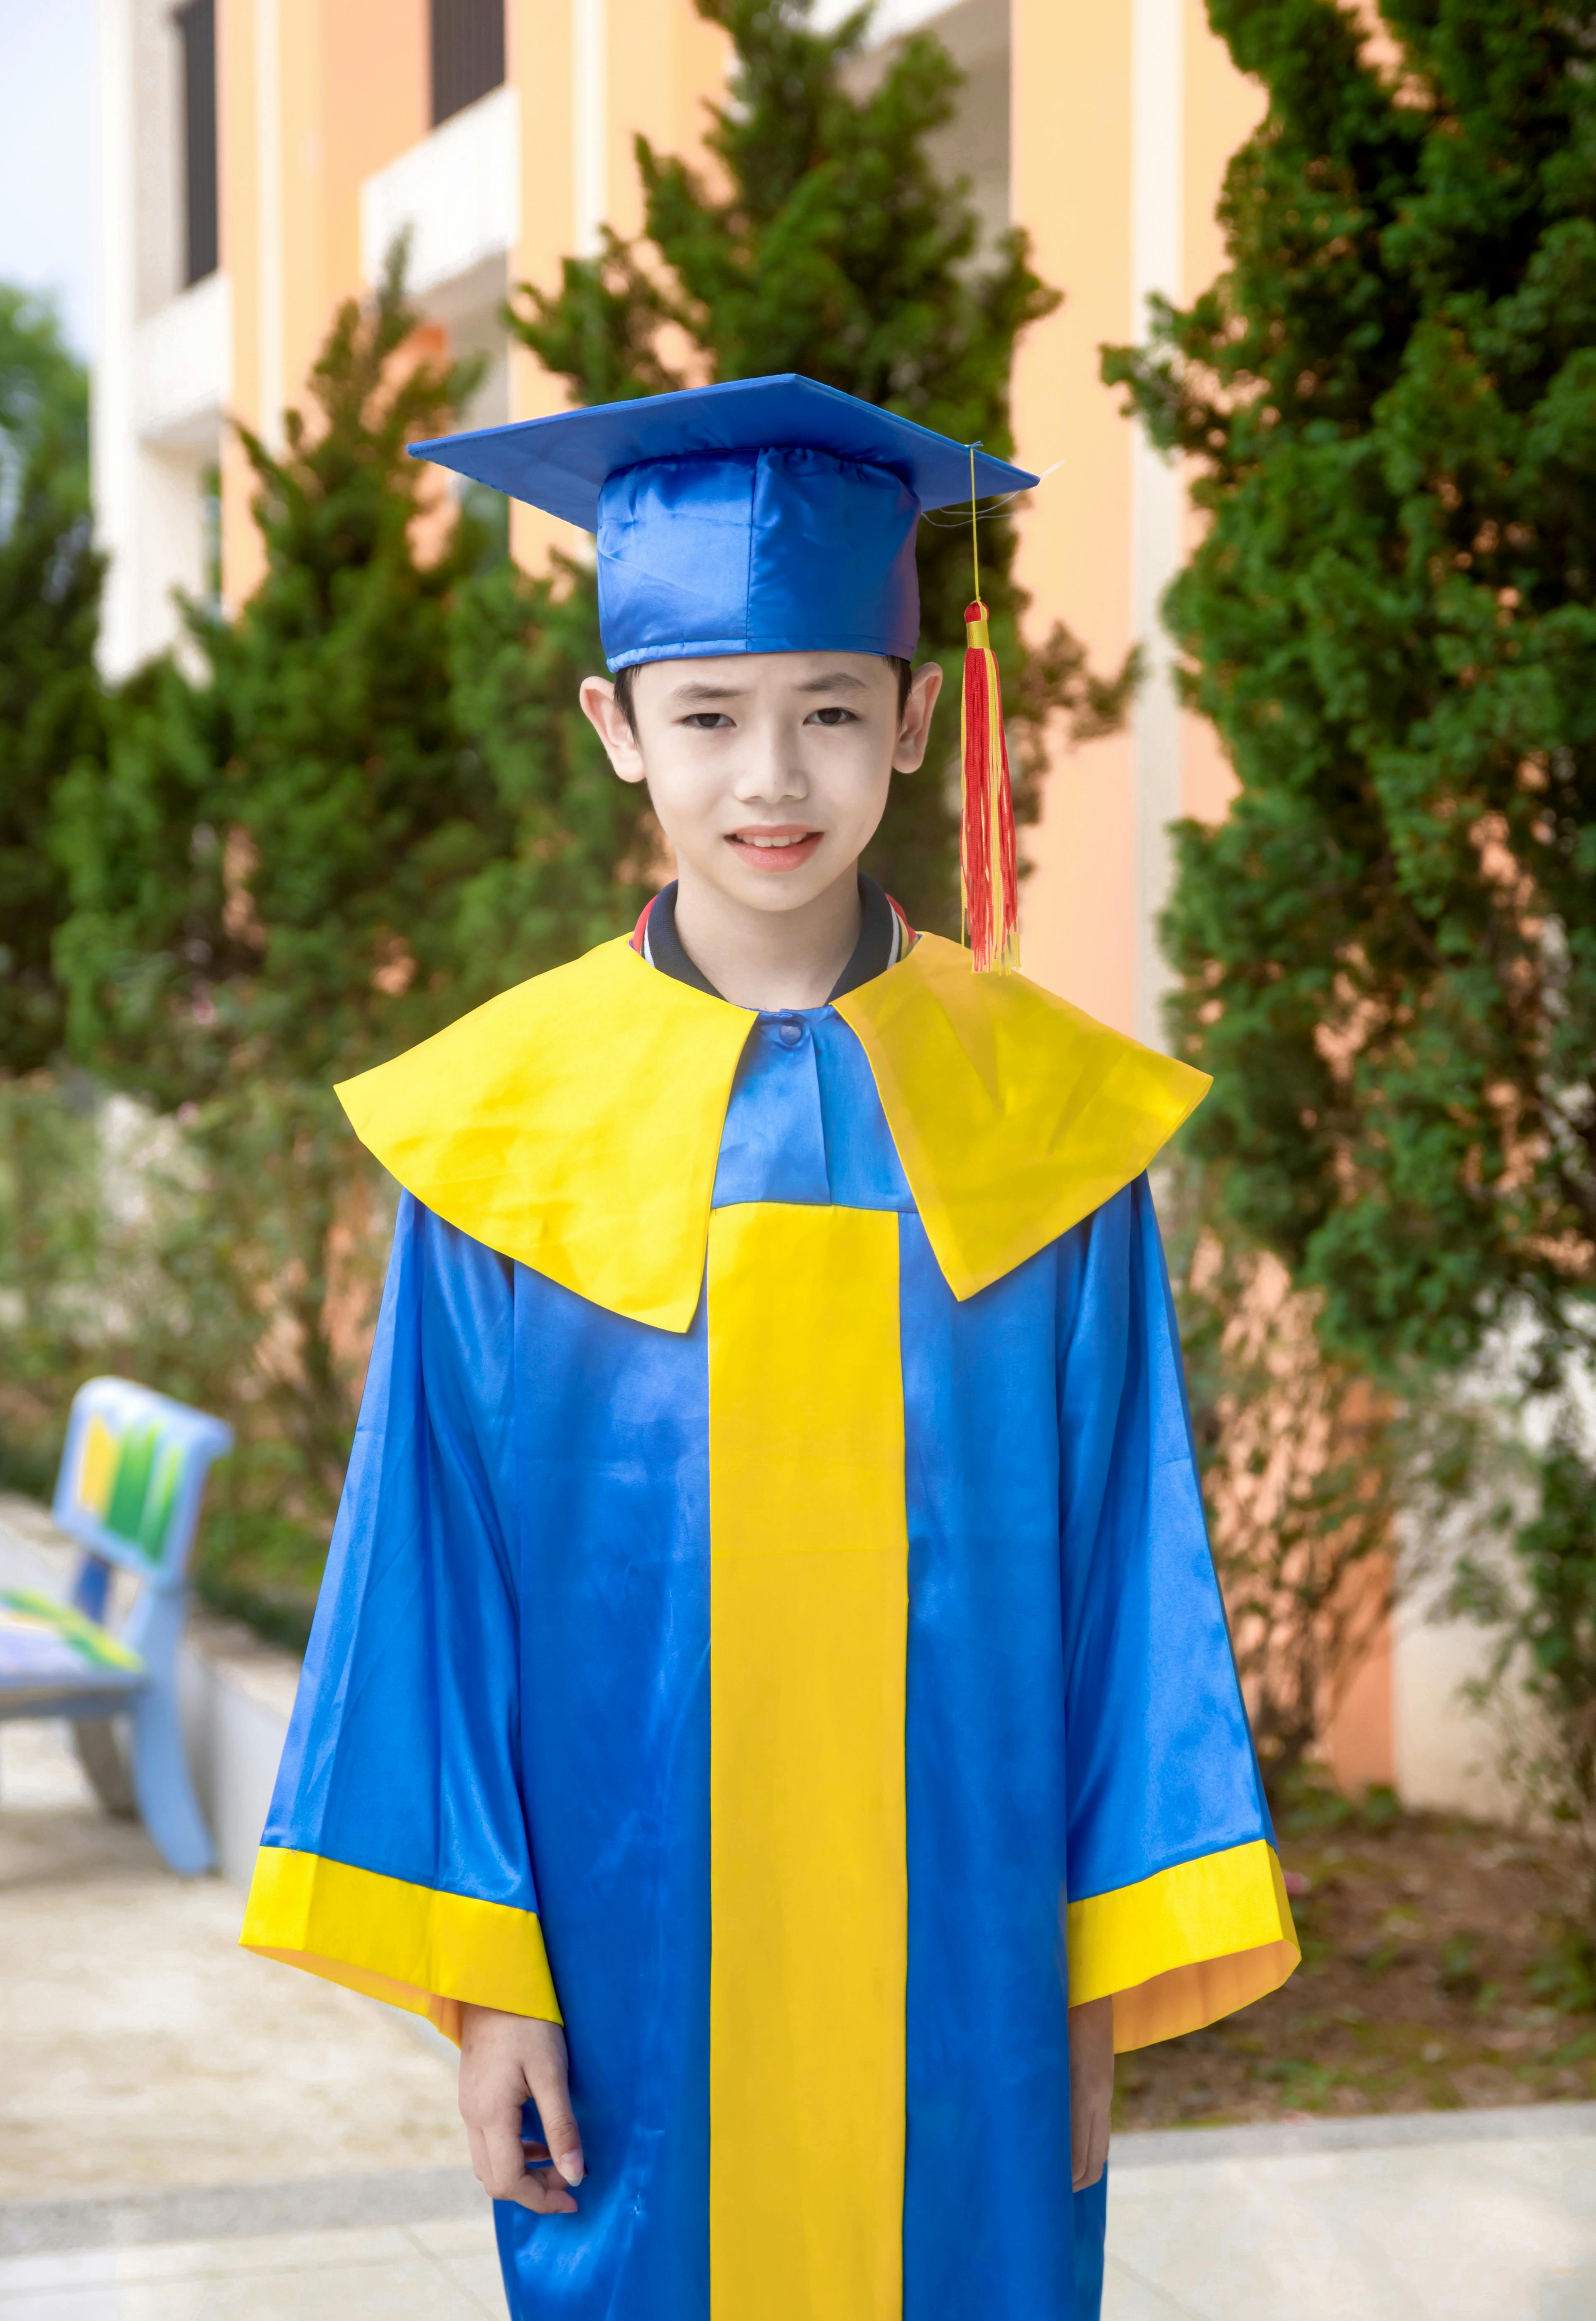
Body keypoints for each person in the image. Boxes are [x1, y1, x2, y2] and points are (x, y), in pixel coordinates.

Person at [241, 375, 1298, 2321]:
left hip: (967, 1966)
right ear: (615, 729)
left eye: (828, 707)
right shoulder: (503, 1134)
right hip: (631, 1968)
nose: (771, 777)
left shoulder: (1041, 1126)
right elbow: (434, 1581)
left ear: (915, 716)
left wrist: (1096, 1986)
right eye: (708, 716)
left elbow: (1127, 1584)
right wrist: (486, 1990)